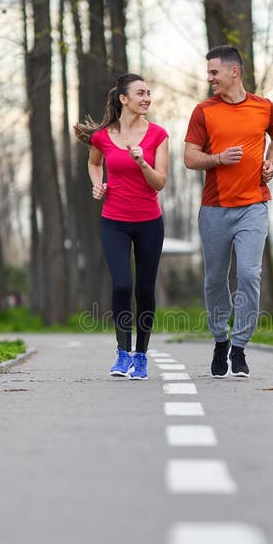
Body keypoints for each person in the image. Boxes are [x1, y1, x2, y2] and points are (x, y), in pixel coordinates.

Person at [184, 45, 273, 378]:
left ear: (234, 72)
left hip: (253, 206)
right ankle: (220, 341)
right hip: (215, 209)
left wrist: (270, 161)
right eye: (209, 73)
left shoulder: (264, 107)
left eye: (214, 72)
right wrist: (217, 159)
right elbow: (189, 157)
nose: (210, 78)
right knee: (215, 281)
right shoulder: (204, 111)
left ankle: (240, 347)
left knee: (249, 274)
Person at [74, 73, 169, 380]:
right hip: (114, 221)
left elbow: (161, 182)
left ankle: (141, 357)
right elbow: (93, 162)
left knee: (143, 290)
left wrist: (143, 162)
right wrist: (97, 185)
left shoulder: (158, 135)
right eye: (141, 93)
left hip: (149, 223)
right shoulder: (102, 136)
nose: (147, 98)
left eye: (149, 93)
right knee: (122, 285)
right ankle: (122, 353)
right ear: (123, 99)